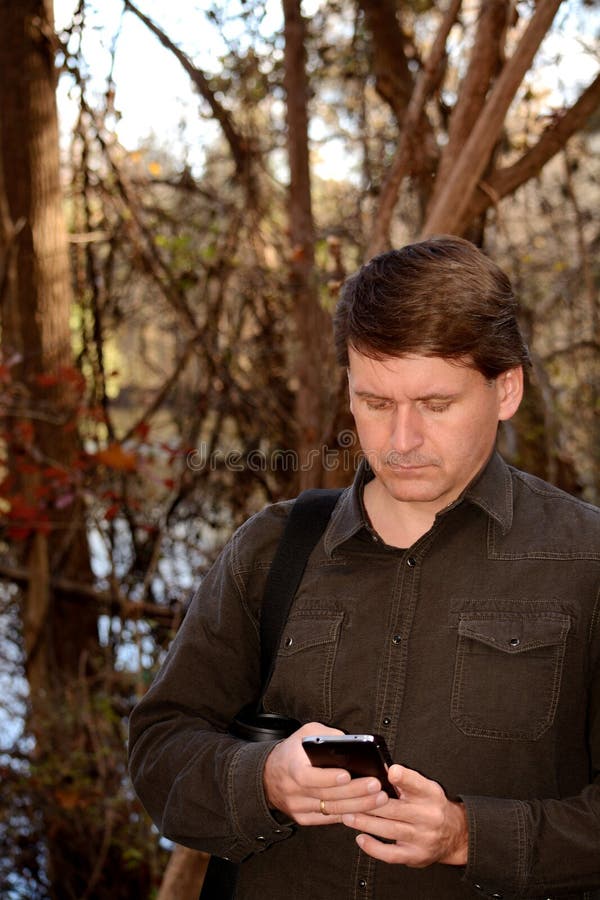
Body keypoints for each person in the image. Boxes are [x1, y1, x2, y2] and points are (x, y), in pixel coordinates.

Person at [128, 236, 600, 899]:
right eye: (375, 403)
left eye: (435, 405)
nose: (400, 441)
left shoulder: (586, 562)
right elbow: (157, 751)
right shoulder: (273, 550)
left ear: (507, 388)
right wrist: (263, 779)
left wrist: (468, 836)